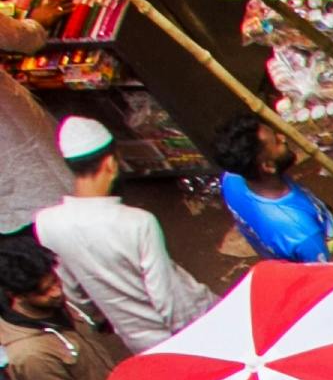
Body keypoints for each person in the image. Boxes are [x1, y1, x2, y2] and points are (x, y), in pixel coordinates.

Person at [32, 116, 211, 351]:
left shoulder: (46, 223)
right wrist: (196, 336)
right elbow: (167, 296)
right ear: (110, 163)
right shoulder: (137, 222)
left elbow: (72, 289)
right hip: (186, 329)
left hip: (138, 340)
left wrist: (97, 318)